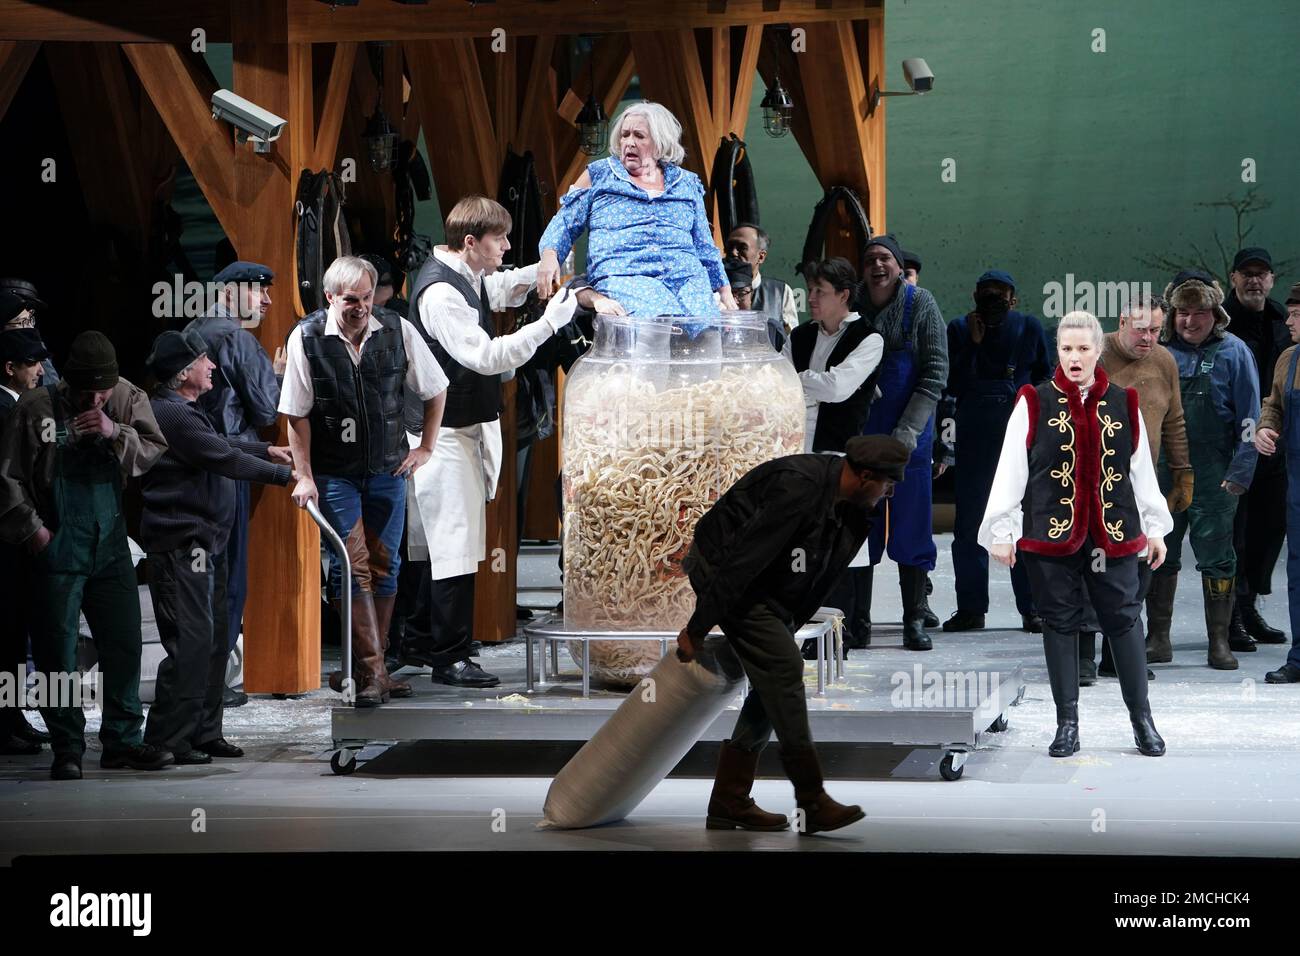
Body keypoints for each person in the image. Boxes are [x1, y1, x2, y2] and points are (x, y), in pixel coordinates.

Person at [677, 434, 909, 833]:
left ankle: (729, 800)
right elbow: (744, 559)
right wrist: (698, 627)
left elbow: (816, 576)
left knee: (775, 679)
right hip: (722, 566)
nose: (888, 494)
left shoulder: (849, 507)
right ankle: (811, 799)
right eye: (887, 485)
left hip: (766, 582)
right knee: (784, 670)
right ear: (866, 476)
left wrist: (789, 623)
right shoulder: (797, 490)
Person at [980, 311, 1172, 758]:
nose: (1074, 357)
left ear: (1098, 351)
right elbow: (1011, 471)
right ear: (1058, 352)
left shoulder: (1124, 403)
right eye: (1066, 349)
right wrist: (1003, 530)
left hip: (1115, 531)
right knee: (1060, 624)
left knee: (1124, 621)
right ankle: (1067, 723)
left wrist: (1156, 527)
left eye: (1084, 349)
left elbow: (1140, 472)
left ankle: (1142, 720)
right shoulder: (1033, 401)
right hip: (1051, 535)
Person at [407, 196, 579, 687]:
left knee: (439, 545)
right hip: (441, 436)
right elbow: (485, 356)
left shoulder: (467, 274)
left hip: (461, 429)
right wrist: (549, 325)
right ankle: (449, 657)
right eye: (498, 239)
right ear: (470, 243)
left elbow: (500, 287)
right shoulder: (440, 295)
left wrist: (547, 266)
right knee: (451, 545)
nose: (506, 246)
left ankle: (422, 641)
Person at [0, 331, 170, 779]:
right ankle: (67, 747)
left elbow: (154, 449)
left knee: (123, 643)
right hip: (58, 546)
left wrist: (117, 432)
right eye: (85, 392)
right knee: (58, 652)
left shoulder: (125, 396)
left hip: (110, 545)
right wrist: (34, 532)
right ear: (68, 382)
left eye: (102, 391)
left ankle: (122, 741)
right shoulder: (34, 408)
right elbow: (8, 479)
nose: (94, 398)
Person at [280, 256, 448, 707]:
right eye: (351, 299)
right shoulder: (308, 337)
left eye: (367, 298)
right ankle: (374, 671)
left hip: (389, 469)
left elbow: (435, 389)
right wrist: (305, 476)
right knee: (351, 566)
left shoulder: (397, 330)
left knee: (384, 566)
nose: (361, 307)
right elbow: (296, 413)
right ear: (330, 296)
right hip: (336, 474)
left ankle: (368, 667)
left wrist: (425, 448)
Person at [140, 330, 293, 762]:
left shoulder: (189, 409)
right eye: (204, 361)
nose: (212, 367)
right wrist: (284, 476)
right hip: (182, 544)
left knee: (215, 639)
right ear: (183, 373)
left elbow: (224, 445)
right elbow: (219, 456)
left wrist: (266, 449)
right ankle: (167, 739)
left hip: (209, 542)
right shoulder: (170, 413)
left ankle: (202, 732)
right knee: (192, 640)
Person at [1147, 270, 1260, 670]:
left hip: (1216, 475)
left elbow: (1251, 418)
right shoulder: (1157, 355)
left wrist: (1241, 471)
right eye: (1182, 312)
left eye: (1199, 312)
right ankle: (1158, 639)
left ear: (1216, 314)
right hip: (1164, 473)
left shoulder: (1235, 352)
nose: (1190, 321)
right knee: (1161, 553)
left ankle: (1219, 642)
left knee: (1218, 557)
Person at [1078, 295, 1191, 684]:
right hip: (1092, 481)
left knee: (1136, 571)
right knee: (1090, 567)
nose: (1149, 337)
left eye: (1157, 330)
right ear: (1122, 321)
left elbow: (1174, 419)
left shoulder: (1165, 360)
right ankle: (1081, 657)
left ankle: (1117, 655)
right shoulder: (1094, 354)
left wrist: (1182, 472)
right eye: (1141, 328)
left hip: (1141, 483)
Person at [536, 101, 737, 316]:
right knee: (659, 320)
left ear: (660, 143)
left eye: (639, 136)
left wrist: (725, 292)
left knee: (705, 326)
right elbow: (565, 223)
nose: (629, 143)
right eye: (625, 135)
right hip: (625, 276)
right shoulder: (600, 174)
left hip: (687, 277)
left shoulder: (686, 183)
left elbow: (705, 245)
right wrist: (549, 257)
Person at [185, 260, 281, 708]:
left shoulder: (190, 331)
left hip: (189, 463)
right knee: (229, 580)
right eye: (257, 290)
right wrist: (277, 376)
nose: (265, 299)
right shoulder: (237, 339)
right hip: (231, 466)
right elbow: (266, 411)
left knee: (200, 576)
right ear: (227, 294)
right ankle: (212, 685)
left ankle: (197, 679)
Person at [851, 235, 948, 651]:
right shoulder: (851, 303)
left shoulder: (920, 303)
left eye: (885, 258)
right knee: (858, 528)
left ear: (898, 264)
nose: (877, 265)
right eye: (870, 258)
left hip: (911, 439)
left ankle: (913, 620)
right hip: (862, 440)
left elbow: (934, 374)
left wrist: (905, 436)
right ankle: (857, 624)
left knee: (911, 528)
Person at [782, 257, 883, 652]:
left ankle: (845, 631)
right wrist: (811, 384)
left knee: (841, 548)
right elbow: (782, 382)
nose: (811, 299)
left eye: (819, 292)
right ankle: (807, 633)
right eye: (810, 291)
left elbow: (839, 388)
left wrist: (802, 382)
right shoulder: (801, 335)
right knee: (805, 547)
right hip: (800, 454)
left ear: (843, 295)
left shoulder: (869, 339)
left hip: (842, 455)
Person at [941, 270, 1050, 634]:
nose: (991, 300)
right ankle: (971, 609)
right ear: (974, 295)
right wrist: (973, 343)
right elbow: (951, 384)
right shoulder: (958, 330)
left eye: (999, 294)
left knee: (1024, 522)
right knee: (969, 526)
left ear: (1013, 299)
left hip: (1019, 438)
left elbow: (1044, 384)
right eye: (985, 293)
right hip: (973, 439)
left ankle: (1033, 608)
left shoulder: (1030, 328)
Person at [1224, 247, 1291, 648]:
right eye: (1246, 273)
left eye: (1261, 274)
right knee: (1235, 533)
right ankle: (1230, 615)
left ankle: (1249, 607)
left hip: (1275, 444)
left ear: (1271, 280)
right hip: (1234, 445)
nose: (1254, 280)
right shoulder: (1221, 323)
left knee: (1269, 529)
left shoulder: (1282, 321)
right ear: (1233, 278)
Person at [0, 328, 52, 754]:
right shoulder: (4, 408)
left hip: (17, 539)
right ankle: (5, 724)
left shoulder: (20, 403)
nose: (40, 370)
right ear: (9, 368)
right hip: (7, 538)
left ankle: (13, 718)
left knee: (16, 633)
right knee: (6, 633)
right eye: (32, 363)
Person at [1251, 281, 1300, 684]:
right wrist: (1267, 428)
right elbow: (1274, 405)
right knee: (1298, 570)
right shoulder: (1289, 359)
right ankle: (1299, 656)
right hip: (1296, 480)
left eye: (1298, 315)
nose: (1290, 322)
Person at [725, 223, 800, 338]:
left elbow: (791, 343)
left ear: (761, 256)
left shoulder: (780, 292)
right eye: (730, 247)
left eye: (742, 248)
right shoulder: (714, 291)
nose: (734, 253)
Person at [0, 281, 59, 385]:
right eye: (22, 320)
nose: (30, 327)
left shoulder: (36, 345)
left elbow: (52, 389)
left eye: (30, 318)